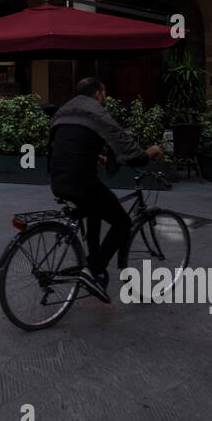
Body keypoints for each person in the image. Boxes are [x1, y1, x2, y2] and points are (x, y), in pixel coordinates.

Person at [48, 76, 164, 303]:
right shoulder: (96, 111)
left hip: (58, 180)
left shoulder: (63, 111)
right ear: (98, 94)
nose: (106, 98)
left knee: (94, 211)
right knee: (123, 223)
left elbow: (70, 144)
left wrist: (98, 156)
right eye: (105, 93)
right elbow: (128, 149)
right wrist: (150, 151)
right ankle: (92, 270)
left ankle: (95, 269)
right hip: (81, 182)